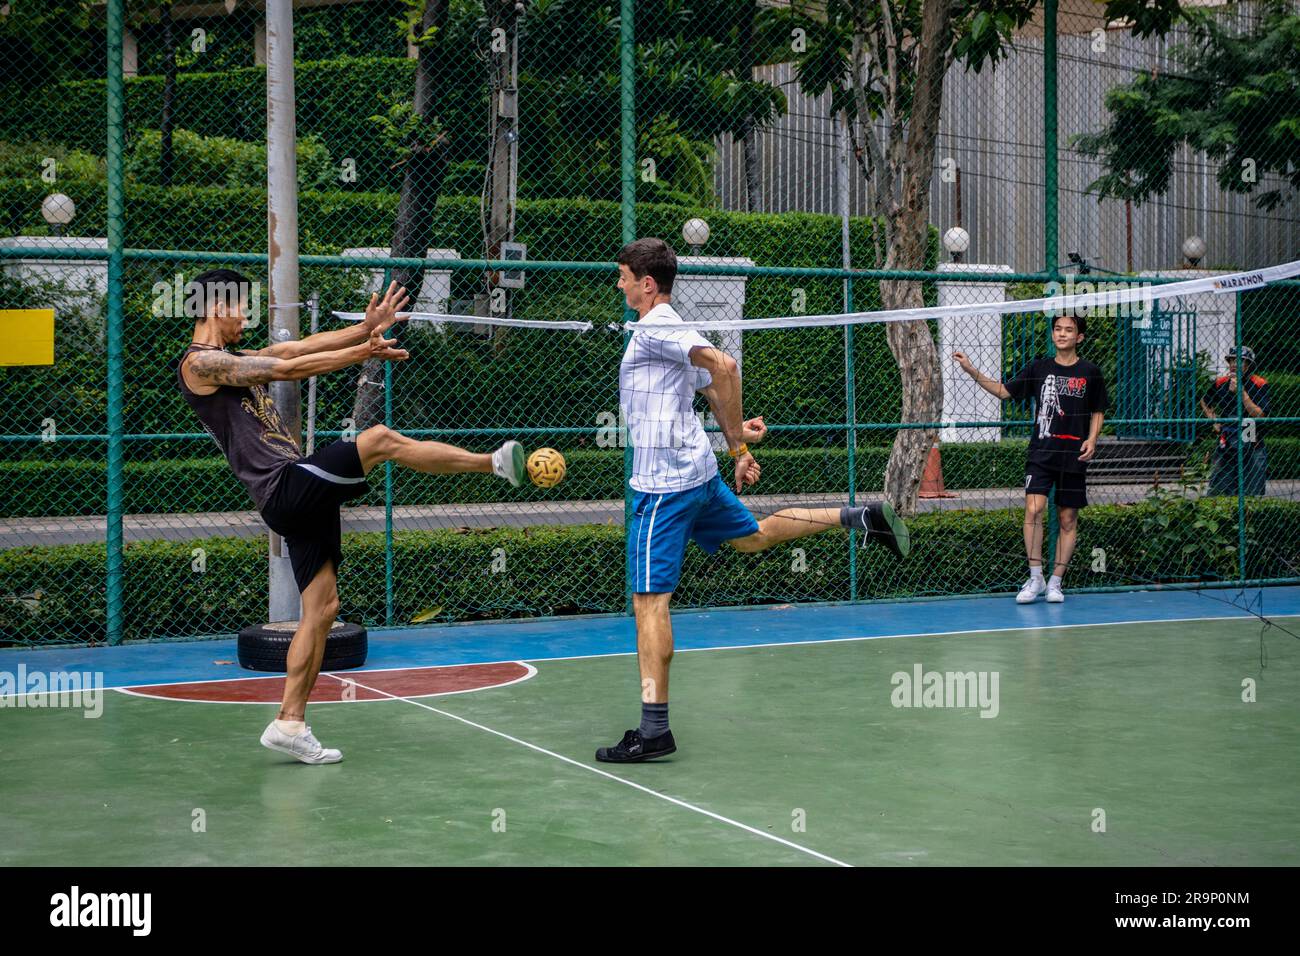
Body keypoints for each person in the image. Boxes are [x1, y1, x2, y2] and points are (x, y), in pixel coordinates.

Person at [176, 270, 526, 764]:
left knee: (321, 610)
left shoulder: (229, 356)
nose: (246, 318)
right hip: (285, 487)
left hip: (295, 495)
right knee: (380, 439)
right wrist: (363, 352)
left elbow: (299, 349)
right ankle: (491, 463)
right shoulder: (201, 365)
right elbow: (285, 371)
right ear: (218, 305)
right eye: (241, 307)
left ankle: (289, 722)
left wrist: (366, 328)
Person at [596, 238, 910, 764]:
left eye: (623, 275)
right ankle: (859, 515)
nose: (619, 283)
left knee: (649, 604)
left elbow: (725, 368)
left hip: (663, 489)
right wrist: (737, 442)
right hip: (696, 475)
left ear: (647, 284)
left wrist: (737, 441)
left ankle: (654, 730)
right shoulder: (664, 329)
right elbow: (710, 391)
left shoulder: (658, 326)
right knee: (753, 537)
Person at [953, 313, 1108, 605]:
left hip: (1074, 454)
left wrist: (1092, 438)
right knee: (1034, 509)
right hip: (1041, 453)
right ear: (1052, 335)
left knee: (1067, 517)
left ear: (1079, 337)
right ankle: (1035, 577)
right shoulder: (1039, 368)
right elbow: (1003, 392)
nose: (1062, 334)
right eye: (1058, 329)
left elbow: (1098, 409)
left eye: (1069, 330)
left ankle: (1056, 582)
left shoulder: (1091, 372)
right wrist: (970, 369)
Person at [1201, 346, 1268, 497]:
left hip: (1250, 431)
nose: (1233, 364)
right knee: (1219, 488)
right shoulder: (1221, 383)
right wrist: (1214, 421)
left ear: (1248, 365)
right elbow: (1205, 401)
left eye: (1239, 361)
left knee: (1251, 488)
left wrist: (1241, 393)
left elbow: (1260, 415)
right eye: (1231, 360)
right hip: (1227, 435)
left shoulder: (1258, 384)